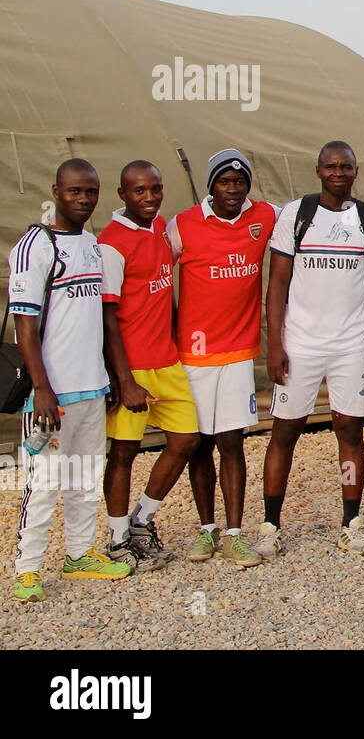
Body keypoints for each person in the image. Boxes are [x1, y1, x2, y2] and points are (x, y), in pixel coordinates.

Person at [256, 141, 364, 558]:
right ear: (318, 171)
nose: (338, 172)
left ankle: (351, 522)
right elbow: (277, 284)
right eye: (331, 166)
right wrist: (275, 343)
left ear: (356, 171)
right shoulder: (296, 216)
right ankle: (270, 523)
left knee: (349, 429)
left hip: (350, 344)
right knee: (285, 430)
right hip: (299, 343)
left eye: (346, 166)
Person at [10, 160, 131, 602]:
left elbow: (96, 318)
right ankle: (27, 567)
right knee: (42, 483)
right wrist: (42, 389)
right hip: (51, 396)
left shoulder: (94, 247)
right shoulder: (35, 246)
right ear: (56, 191)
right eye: (75, 191)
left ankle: (80, 554)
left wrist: (110, 377)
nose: (83, 200)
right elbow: (24, 322)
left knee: (84, 478)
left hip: (91, 388)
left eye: (91, 192)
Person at [167, 150, 277, 569]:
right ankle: (205, 529)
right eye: (224, 182)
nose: (232, 189)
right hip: (193, 354)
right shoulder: (183, 224)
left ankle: (234, 534)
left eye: (239, 181)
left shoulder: (264, 216)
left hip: (237, 353)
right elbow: (154, 272)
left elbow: (307, 217)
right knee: (198, 444)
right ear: (210, 185)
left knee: (231, 441)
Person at [99, 161, 200, 572]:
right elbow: (107, 316)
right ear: (121, 194)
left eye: (155, 189)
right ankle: (117, 538)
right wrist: (124, 379)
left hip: (167, 359)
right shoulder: (110, 243)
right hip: (133, 366)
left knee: (186, 440)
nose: (149, 198)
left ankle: (142, 519)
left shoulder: (160, 228)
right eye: (138, 191)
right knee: (124, 453)